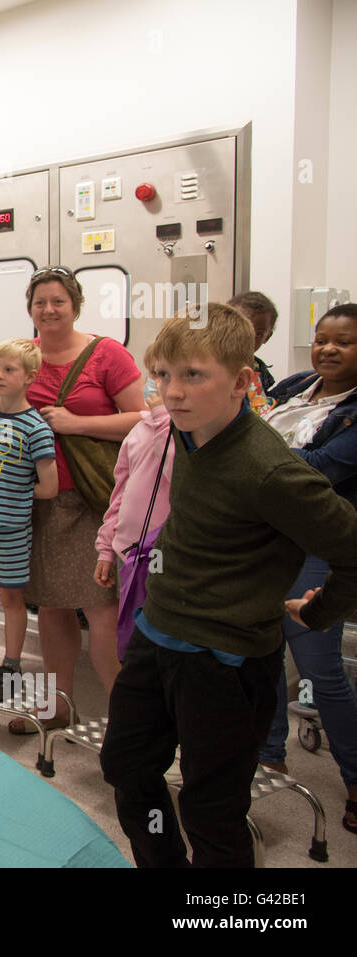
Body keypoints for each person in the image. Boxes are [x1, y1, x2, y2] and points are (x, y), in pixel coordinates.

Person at [99, 305, 357, 867]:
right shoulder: (186, 435)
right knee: (126, 769)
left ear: (242, 381)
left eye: (194, 375)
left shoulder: (273, 471)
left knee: (212, 811)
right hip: (157, 637)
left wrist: (320, 612)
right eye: (164, 374)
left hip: (225, 663)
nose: (173, 391)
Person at [0, 267, 144, 731]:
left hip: (90, 502)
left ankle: (125, 722)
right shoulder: (20, 358)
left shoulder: (107, 354)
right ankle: (57, 706)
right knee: (52, 608)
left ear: (75, 305)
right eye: (40, 302)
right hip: (35, 507)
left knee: (102, 610)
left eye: (58, 301)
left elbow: (144, 420)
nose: (48, 310)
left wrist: (74, 424)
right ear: (30, 309)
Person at [256, 303, 357, 835]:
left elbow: (317, 470)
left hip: (314, 545)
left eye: (344, 342)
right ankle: (271, 753)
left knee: (320, 666)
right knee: (264, 649)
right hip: (264, 538)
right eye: (322, 339)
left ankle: (356, 779)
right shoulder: (296, 385)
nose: (328, 350)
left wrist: (249, 454)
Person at [0, 338, 57, 682]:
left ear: (30, 377)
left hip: (13, 528)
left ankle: (12, 666)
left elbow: (49, 487)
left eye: (8, 370)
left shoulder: (37, 429)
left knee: (11, 597)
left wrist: (13, 491)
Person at [93, 349, 173, 661]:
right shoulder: (138, 429)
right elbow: (120, 492)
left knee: (161, 646)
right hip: (128, 554)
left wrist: (163, 418)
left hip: (165, 557)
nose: (155, 383)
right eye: (152, 374)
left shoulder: (185, 431)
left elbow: (176, 474)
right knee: (132, 645)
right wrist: (105, 546)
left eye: (164, 375)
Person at [228, 290, 280, 397]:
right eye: (239, 329)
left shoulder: (261, 373)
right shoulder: (208, 366)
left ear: (267, 337)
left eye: (258, 335)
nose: (247, 339)